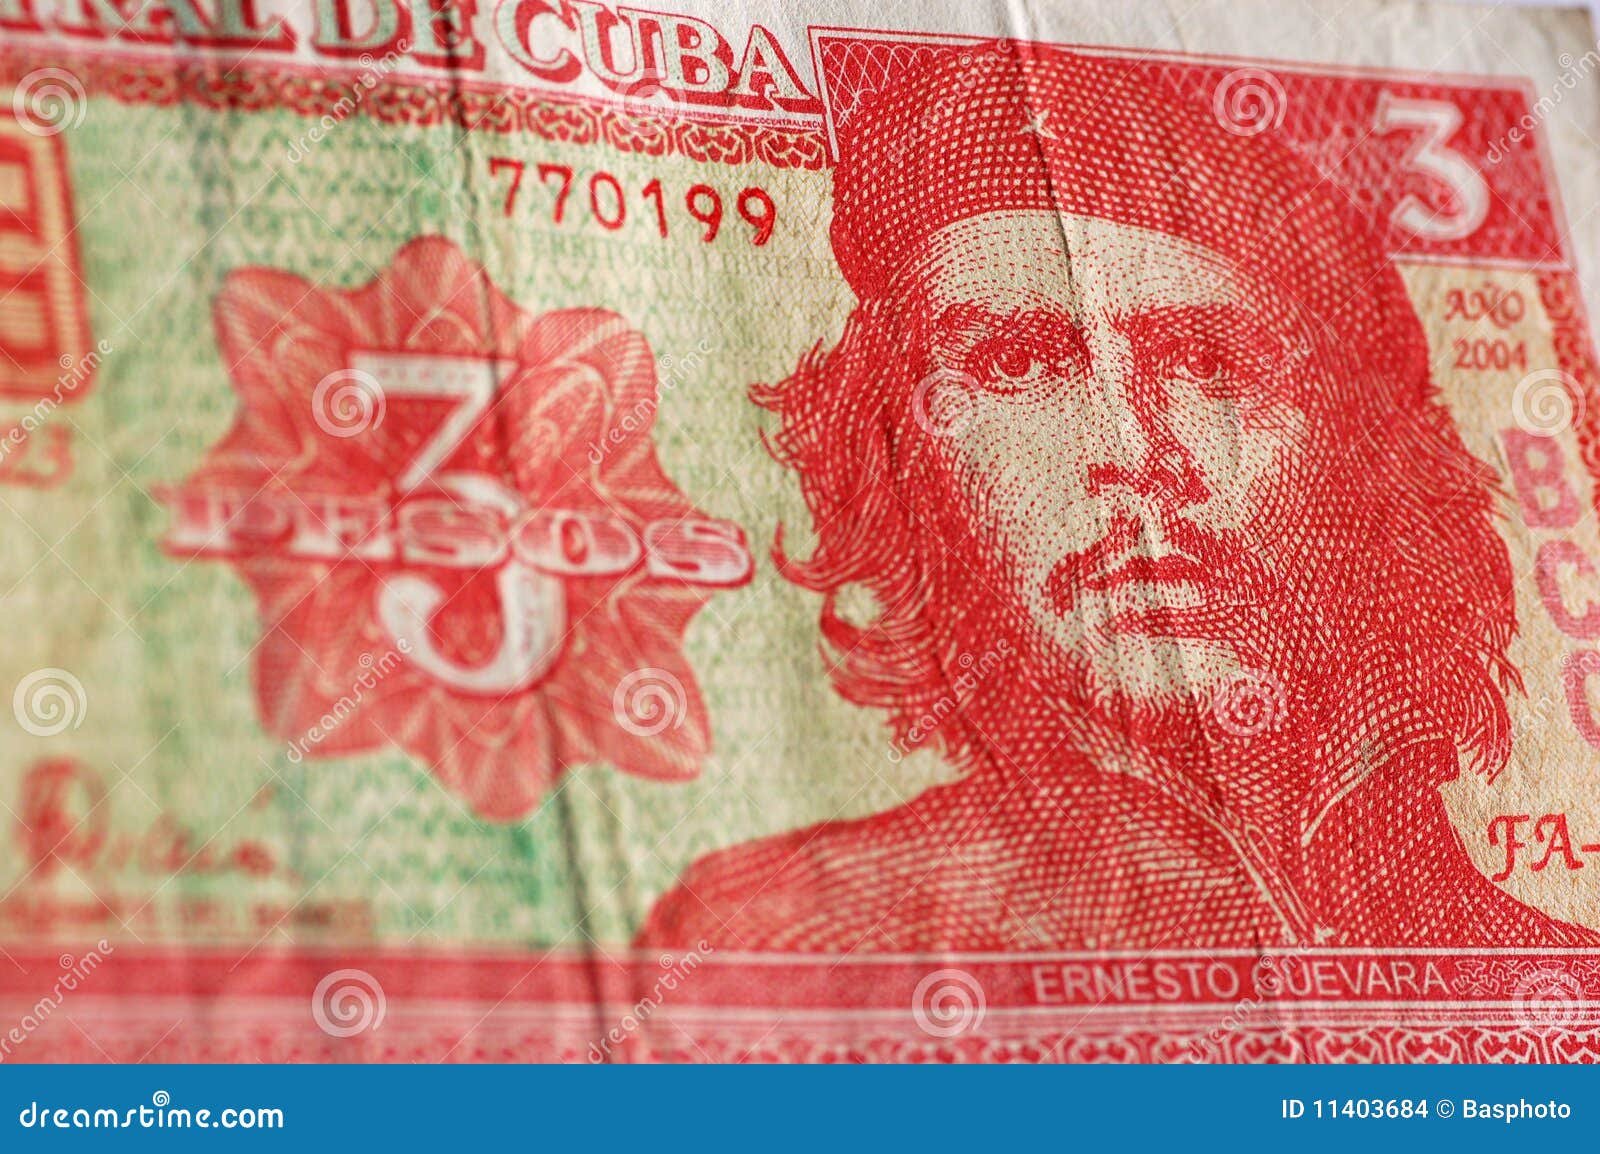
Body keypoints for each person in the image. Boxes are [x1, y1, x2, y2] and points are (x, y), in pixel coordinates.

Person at [639, 42, 1599, 951]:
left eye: (1211, 366)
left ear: (1382, 470)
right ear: (902, 467)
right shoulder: (777, 939)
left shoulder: (1564, 988)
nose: (1136, 453)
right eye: (1015, 364)